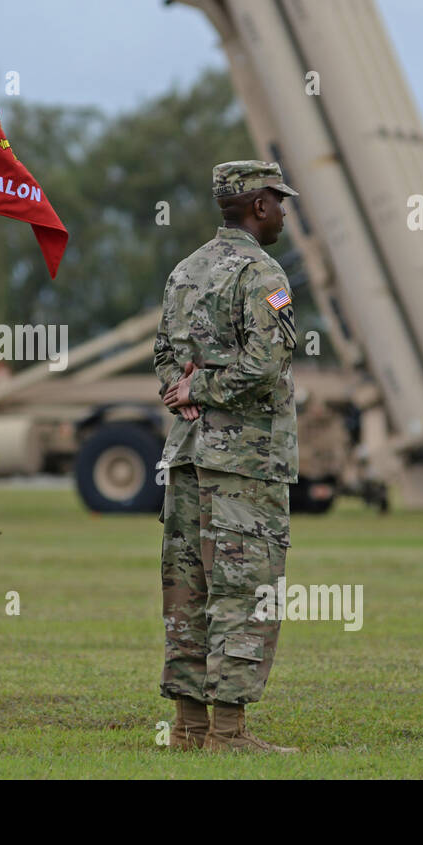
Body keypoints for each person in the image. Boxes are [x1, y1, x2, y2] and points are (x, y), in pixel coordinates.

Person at [153, 159, 301, 753]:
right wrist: (202, 390)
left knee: (187, 591)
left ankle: (189, 728)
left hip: (188, 456)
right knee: (244, 590)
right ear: (258, 205)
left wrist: (181, 393)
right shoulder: (263, 273)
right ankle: (230, 734)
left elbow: (165, 354)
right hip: (244, 464)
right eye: (279, 200)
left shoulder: (184, 271)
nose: (285, 211)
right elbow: (267, 363)